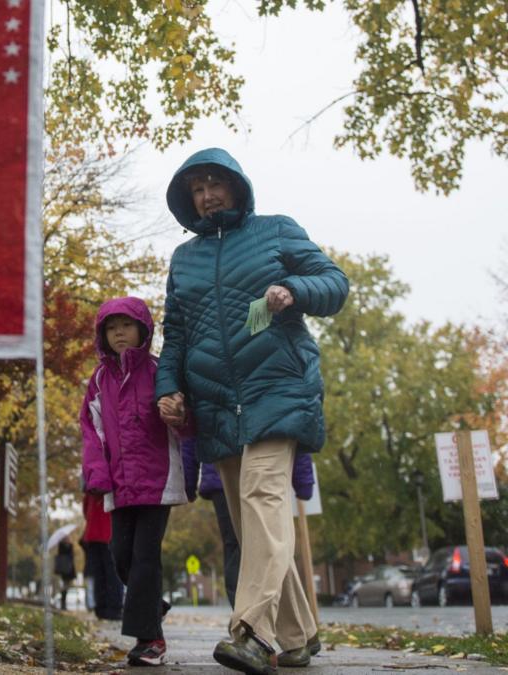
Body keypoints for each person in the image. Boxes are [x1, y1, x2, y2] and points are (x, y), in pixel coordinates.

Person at [155, 148, 348, 674]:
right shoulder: (184, 258)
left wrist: (295, 288)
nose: (207, 194)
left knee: (263, 498)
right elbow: (176, 336)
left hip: (278, 388)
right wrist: (167, 389)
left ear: (237, 186)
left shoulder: (277, 231)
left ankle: (252, 633)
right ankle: (299, 635)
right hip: (216, 401)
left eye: (216, 183)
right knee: (250, 522)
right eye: (197, 188)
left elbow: (336, 284)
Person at [80, 295, 193, 667]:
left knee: (145, 558)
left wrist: (179, 416)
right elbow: (91, 430)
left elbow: (187, 421)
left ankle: (150, 641)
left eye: (126, 326)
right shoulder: (98, 380)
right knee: (120, 556)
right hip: (119, 484)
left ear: (143, 329)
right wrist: (96, 474)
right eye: (111, 329)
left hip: (158, 481)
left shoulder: (161, 371)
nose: (119, 334)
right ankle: (152, 605)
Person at [183, 439, 317, 607]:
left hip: (257, 473)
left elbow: (292, 423)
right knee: (250, 545)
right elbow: (191, 428)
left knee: (254, 546)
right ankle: (246, 614)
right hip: (234, 475)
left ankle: (256, 613)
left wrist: (303, 479)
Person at [79, 492, 124, 621]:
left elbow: (85, 511)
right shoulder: (113, 488)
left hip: (92, 535)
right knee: (113, 573)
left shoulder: (90, 491)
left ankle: (101, 608)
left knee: (98, 573)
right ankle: (114, 608)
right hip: (109, 533)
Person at [53, 537, 77, 610]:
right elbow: (63, 556)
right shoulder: (61, 546)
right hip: (64, 569)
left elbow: (72, 556)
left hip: (69, 569)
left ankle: (63, 599)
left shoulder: (70, 546)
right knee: (65, 586)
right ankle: (63, 601)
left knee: (67, 586)